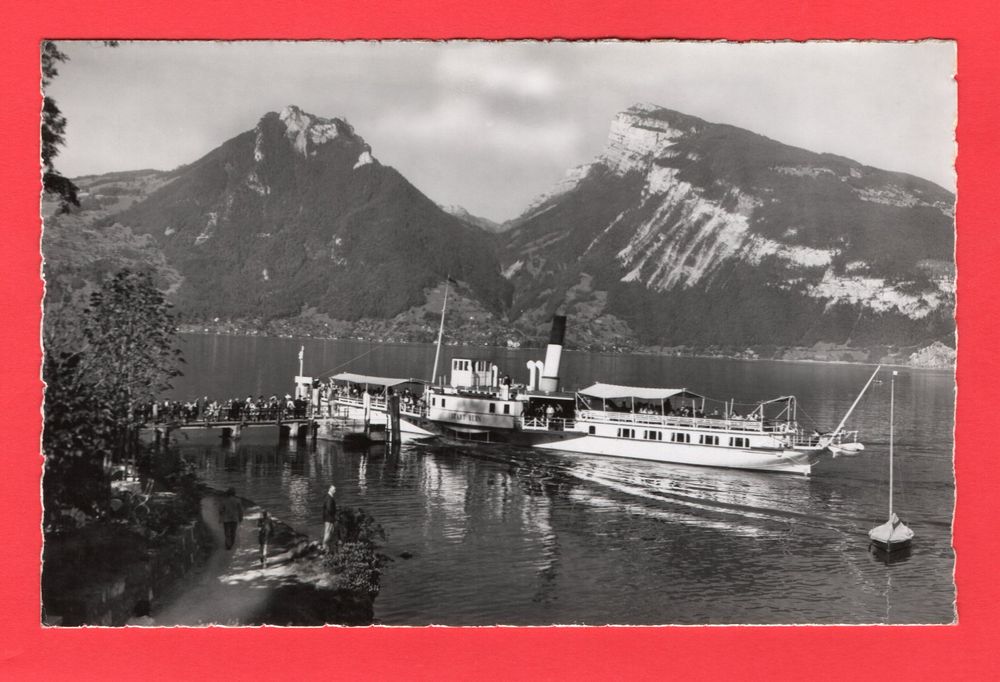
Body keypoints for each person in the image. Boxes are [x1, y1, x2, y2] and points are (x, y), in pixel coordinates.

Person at [322, 485, 338, 554]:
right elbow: (329, 508)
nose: (335, 491)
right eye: (334, 489)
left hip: (327, 518)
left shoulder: (327, 497)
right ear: (330, 490)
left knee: (328, 532)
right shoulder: (329, 498)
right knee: (328, 532)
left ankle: (326, 547)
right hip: (329, 518)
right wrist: (334, 514)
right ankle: (324, 546)